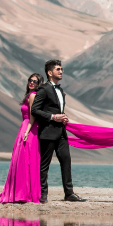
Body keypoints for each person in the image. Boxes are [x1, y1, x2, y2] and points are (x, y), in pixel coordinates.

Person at [31, 60, 85, 203]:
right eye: (58, 69)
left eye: (62, 69)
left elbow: (57, 110)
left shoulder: (60, 90)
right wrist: (53, 117)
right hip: (47, 132)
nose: (61, 71)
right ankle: (43, 194)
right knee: (44, 165)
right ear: (50, 73)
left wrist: (63, 117)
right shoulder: (43, 89)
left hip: (61, 133)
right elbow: (35, 110)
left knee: (66, 161)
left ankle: (69, 193)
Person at [0, 73, 44, 203]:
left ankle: (24, 193)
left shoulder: (33, 96)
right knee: (20, 159)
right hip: (25, 126)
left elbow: (33, 116)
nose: (32, 83)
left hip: (29, 128)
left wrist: (27, 131)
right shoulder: (28, 96)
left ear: (38, 84)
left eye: (35, 81)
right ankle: (20, 192)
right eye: (30, 80)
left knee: (25, 158)